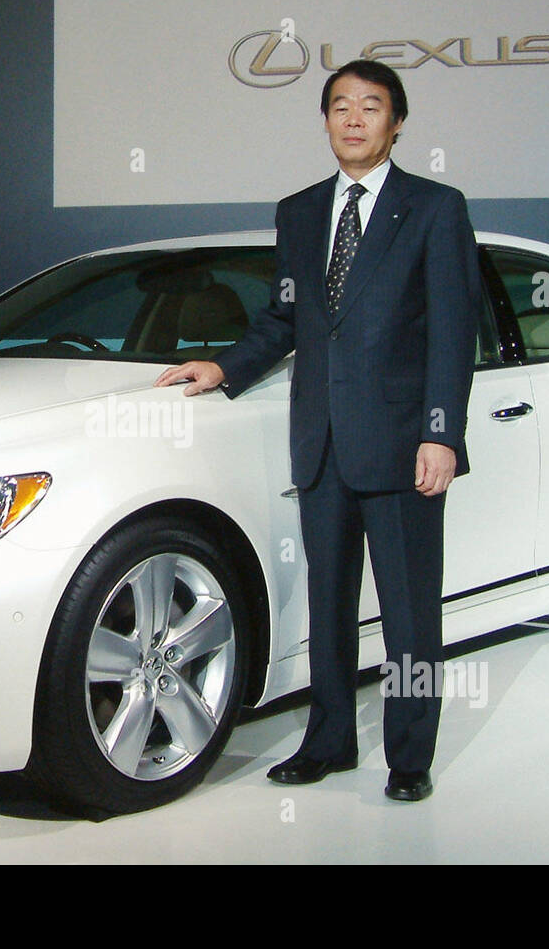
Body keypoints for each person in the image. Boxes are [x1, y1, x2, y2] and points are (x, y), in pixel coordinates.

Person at [154, 59, 483, 801]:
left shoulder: (434, 208)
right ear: (326, 121)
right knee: (328, 607)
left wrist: (442, 433)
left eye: (371, 106)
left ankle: (409, 755)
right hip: (322, 444)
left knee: (409, 614)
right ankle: (329, 740)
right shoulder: (299, 211)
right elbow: (285, 315)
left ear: (397, 122)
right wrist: (226, 368)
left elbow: (453, 332)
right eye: (340, 106)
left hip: (403, 444)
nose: (354, 118)